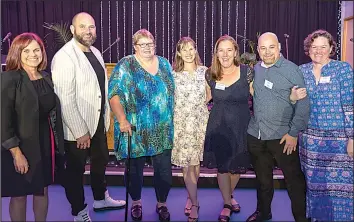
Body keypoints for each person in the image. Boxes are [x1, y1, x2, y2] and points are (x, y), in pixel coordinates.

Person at [51, 12, 125, 222]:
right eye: (82, 27)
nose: (88, 31)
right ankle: (79, 211)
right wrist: (79, 131)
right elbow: (65, 98)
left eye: (91, 27)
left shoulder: (95, 52)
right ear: (73, 30)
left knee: (100, 163)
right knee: (75, 173)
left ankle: (100, 199)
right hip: (77, 130)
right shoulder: (65, 57)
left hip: (97, 124)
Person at [108, 29, 174, 222]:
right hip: (134, 128)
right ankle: (136, 202)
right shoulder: (125, 65)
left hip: (161, 129)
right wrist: (121, 119)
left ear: (155, 44)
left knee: (164, 172)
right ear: (135, 47)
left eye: (150, 43)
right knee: (134, 171)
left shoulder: (164, 63)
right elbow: (114, 94)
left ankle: (162, 203)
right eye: (142, 44)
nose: (147, 47)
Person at [246, 32, 310, 222]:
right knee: (263, 181)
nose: (267, 52)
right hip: (256, 136)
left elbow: (303, 104)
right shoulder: (255, 69)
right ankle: (263, 213)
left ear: (279, 47)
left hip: (283, 137)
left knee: (294, 182)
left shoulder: (292, 70)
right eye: (263, 48)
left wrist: (293, 132)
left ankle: (301, 218)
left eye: (271, 47)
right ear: (257, 50)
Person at [290, 29, 353, 222]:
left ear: (331, 48)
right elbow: (293, 103)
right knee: (314, 184)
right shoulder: (301, 71)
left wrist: (352, 138)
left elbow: (350, 106)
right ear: (308, 49)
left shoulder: (343, 69)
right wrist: (292, 98)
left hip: (339, 140)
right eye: (314, 47)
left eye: (323, 47)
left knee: (340, 186)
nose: (318, 51)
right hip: (310, 139)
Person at [1, 32, 65, 221]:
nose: (33, 54)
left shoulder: (46, 78)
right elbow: (3, 120)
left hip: (44, 143)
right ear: (17, 53)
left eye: (36, 49)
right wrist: (16, 153)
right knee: (19, 194)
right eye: (26, 50)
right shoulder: (9, 79)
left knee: (42, 191)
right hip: (18, 145)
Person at [203, 35, 254, 222]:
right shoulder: (210, 74)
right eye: (220, 50)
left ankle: (229, 195)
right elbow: (205, 99)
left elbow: (260, 96)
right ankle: (227, 202)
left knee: (238, 167)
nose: (224, 54)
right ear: (216, 53)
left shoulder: (247, 72)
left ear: (235, 53)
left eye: (229, 50)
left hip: (242, 126)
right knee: (223, 167)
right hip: (219, 126)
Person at [171, 37, 209, 222]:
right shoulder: (174, 75)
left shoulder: (205, 72)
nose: (188, 52)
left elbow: (210, 95)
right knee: (187, 166)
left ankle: (189, 195)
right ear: (178, 52)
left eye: (191, 48)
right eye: (184, 49)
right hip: (182, 126)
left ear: (196, 50)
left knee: (195, 165)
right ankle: (195, 204)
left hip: (199, 125)